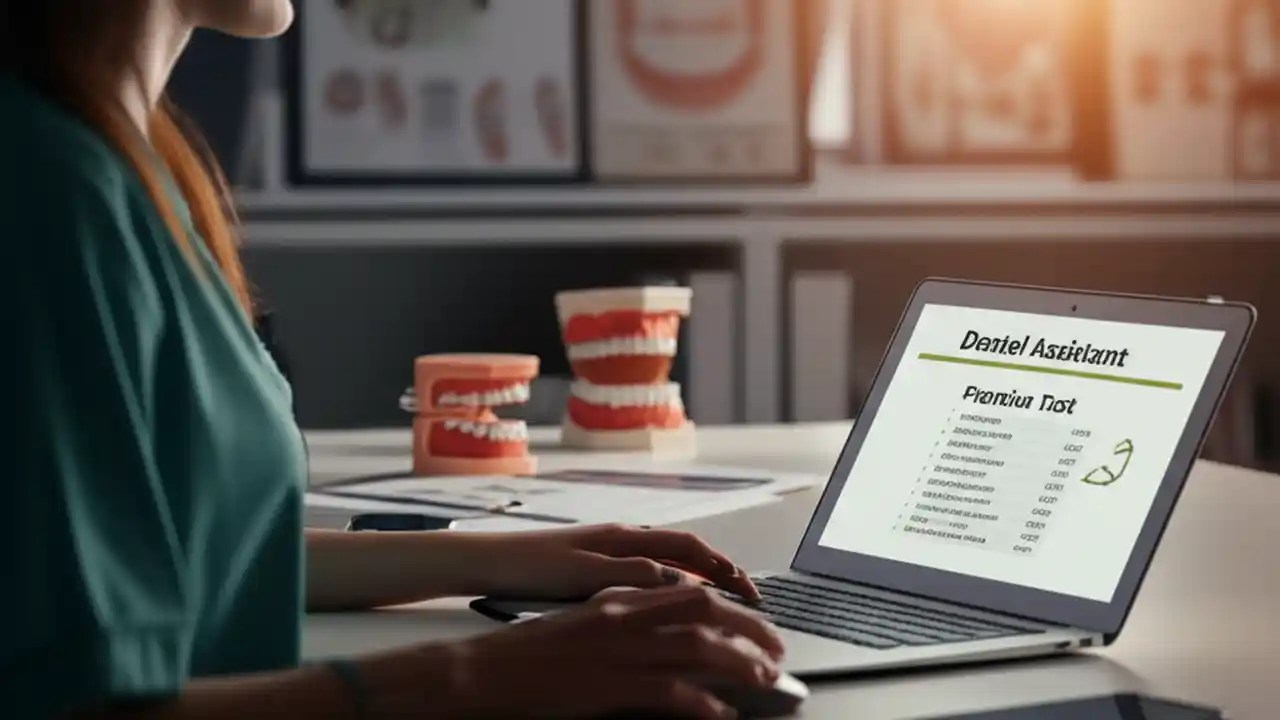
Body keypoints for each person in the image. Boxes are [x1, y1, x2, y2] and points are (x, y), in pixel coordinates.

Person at [3, 1, 785, 718]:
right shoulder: (50, 190)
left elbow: (212, 556)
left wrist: (522, 559)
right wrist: (477, 677)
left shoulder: (137, 162)